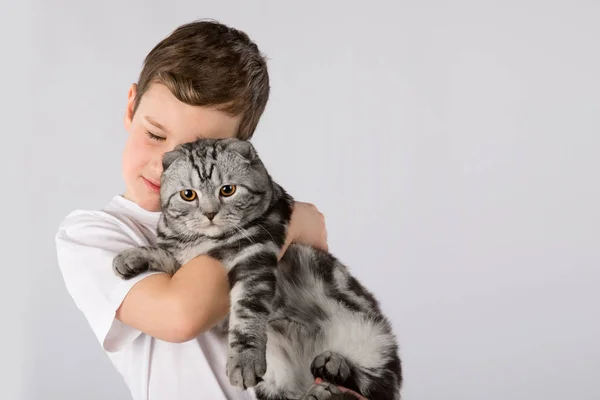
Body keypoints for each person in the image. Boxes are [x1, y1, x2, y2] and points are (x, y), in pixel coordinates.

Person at [55, 19, 365, 400]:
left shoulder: (247, 209)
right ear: (131, 106)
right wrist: (288, 224)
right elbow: (179, 314)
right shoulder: (93, 236)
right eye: (155, 134)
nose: (165, 167)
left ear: (238, 152)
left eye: (200, 153)